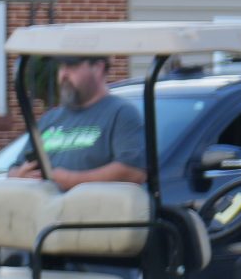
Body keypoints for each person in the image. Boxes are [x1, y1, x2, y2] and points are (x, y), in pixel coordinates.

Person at [10, 55, 149, 191]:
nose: (63, 74)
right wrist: (21, 175)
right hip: (46, 211)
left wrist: (71, 180)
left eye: (71, 66)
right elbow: (13, 170)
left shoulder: (121, 113)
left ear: (98, 68)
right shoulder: (50, 119)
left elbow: (133, 172)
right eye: (61, 67)